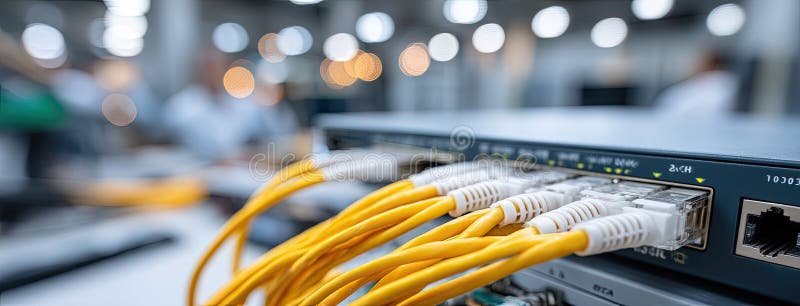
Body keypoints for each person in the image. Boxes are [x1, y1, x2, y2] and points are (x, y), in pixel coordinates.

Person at [164, 48, 297, 160]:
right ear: (199, 70)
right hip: (198, 175)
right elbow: (172, 147)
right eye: (209, 67)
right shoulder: (180, 106)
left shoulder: (242, 102)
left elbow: (274, 132)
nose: (214, 72)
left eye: (218, 66)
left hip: (238, 172)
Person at [654, 52, 738, 116]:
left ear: (715, 65)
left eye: (702, 62)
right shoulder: (698, 82)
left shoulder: (718, 84)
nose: (697, 65)